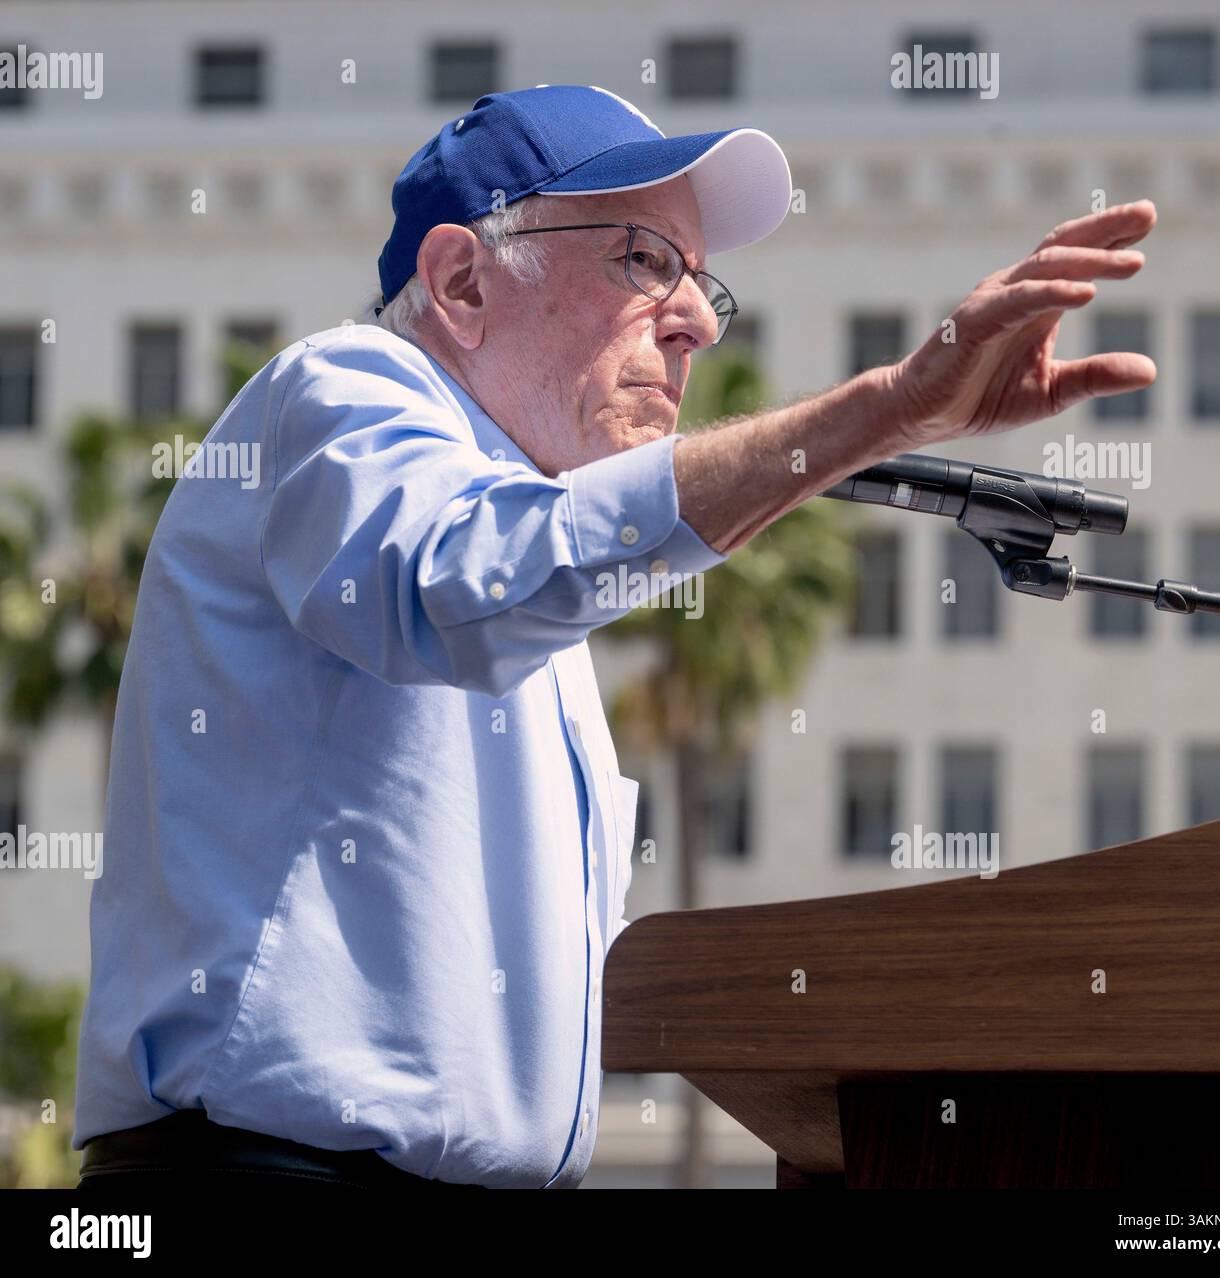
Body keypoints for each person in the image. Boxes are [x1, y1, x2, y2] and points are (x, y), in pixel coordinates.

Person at [72, 84, 1156, 1189]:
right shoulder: (346, 387)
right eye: (645, 260)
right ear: (460, 281)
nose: (697, 319)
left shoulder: (531, 554)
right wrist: (883, 407)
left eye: (701, 279)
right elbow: (462, 583)